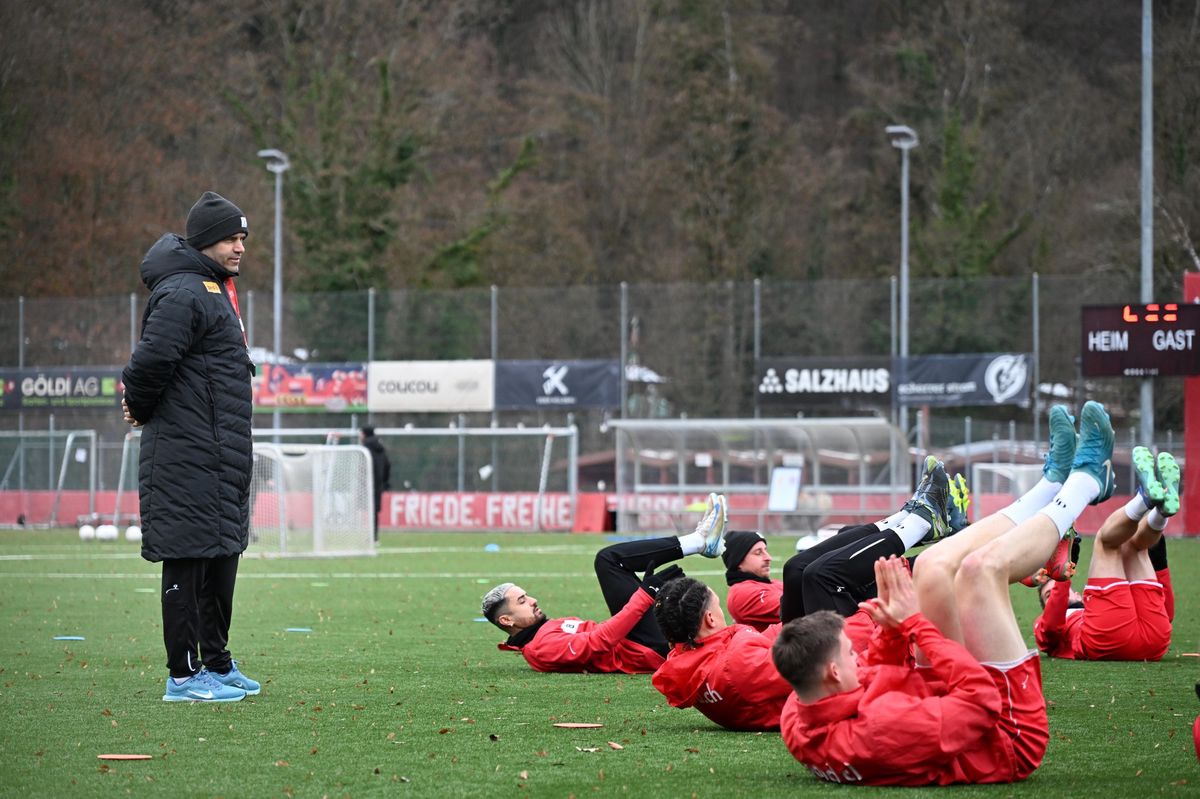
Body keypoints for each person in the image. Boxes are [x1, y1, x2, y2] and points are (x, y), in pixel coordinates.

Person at [771, 401, 1114, 786]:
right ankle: (1085, 483)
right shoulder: (880, 729)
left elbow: (876, 673)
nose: (858, 656)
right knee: (978, 571)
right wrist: (914, 624)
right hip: (1006, 731)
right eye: (850, 654)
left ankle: (1051, 484)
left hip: (933, 702)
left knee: (931, 567)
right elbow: (981, 698)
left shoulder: (800, 710)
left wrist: (891, 630)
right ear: (833, 672)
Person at [649, 462, 966, 732]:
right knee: (823, 575)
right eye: (758, 552)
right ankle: (925, 524)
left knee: (798, 569)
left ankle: (911, 519)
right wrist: (876, 613)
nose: (766, 557)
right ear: (708, 618)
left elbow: (777, 640)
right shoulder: (736, 655)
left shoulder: (699, 655)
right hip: (843, 670)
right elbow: (816, 661)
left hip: (809, 649)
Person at [121, 191, 260, 703]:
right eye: (230, 238)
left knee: (222, 556)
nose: (239, 247)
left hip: (221, 453)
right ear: (204, 241)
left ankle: (217, 663)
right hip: (186, 453)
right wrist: (139, 407)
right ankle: (182, 676)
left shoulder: (214, 288)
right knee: (187, 557)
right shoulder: (184, 291)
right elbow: (149, 363)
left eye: (242, 238)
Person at [480, 494, 727, 673]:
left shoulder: (542, 633)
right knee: (608, 560)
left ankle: (701, 543)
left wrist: (646, 591)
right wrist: (645, 593)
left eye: (527, 596)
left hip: (641, 643)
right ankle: (700, 541)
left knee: (635, 571)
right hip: (646, 649)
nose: (533, 600)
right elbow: (599, 642)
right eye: (522, 601)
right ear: (507, 620)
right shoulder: (540, 648)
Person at [1034, 445, 1179, 661]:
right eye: (1049, 596)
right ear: (1045, 608)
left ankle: (1160, 513)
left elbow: (1166, 613)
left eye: (1058, 592)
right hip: (1108, 638)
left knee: (1133, 547)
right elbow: (1050, 627)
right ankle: (1145, 500)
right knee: (1105, 543)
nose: (1059, 595)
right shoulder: (1044, 625)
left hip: (1154, 641)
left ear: (1078, 594)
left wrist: (1160, 564)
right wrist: (1062, 575)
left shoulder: (1091, 608)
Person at [722, 530, 782, 631]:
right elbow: (795, 607)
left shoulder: (773, 583)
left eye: (765, 550)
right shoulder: (742, 592)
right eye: (758, 553)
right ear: (738, 561)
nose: (768, 557)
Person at [360, 426, 392, 541]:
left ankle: (368, 536)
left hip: (367, 483)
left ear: (364, 434)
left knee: (365, 509)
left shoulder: (365, 449)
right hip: (378, 484)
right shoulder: (380, 448)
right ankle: (374, 537)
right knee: (374, 511)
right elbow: (387, 465)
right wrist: (385, 481)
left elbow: (362, 466)